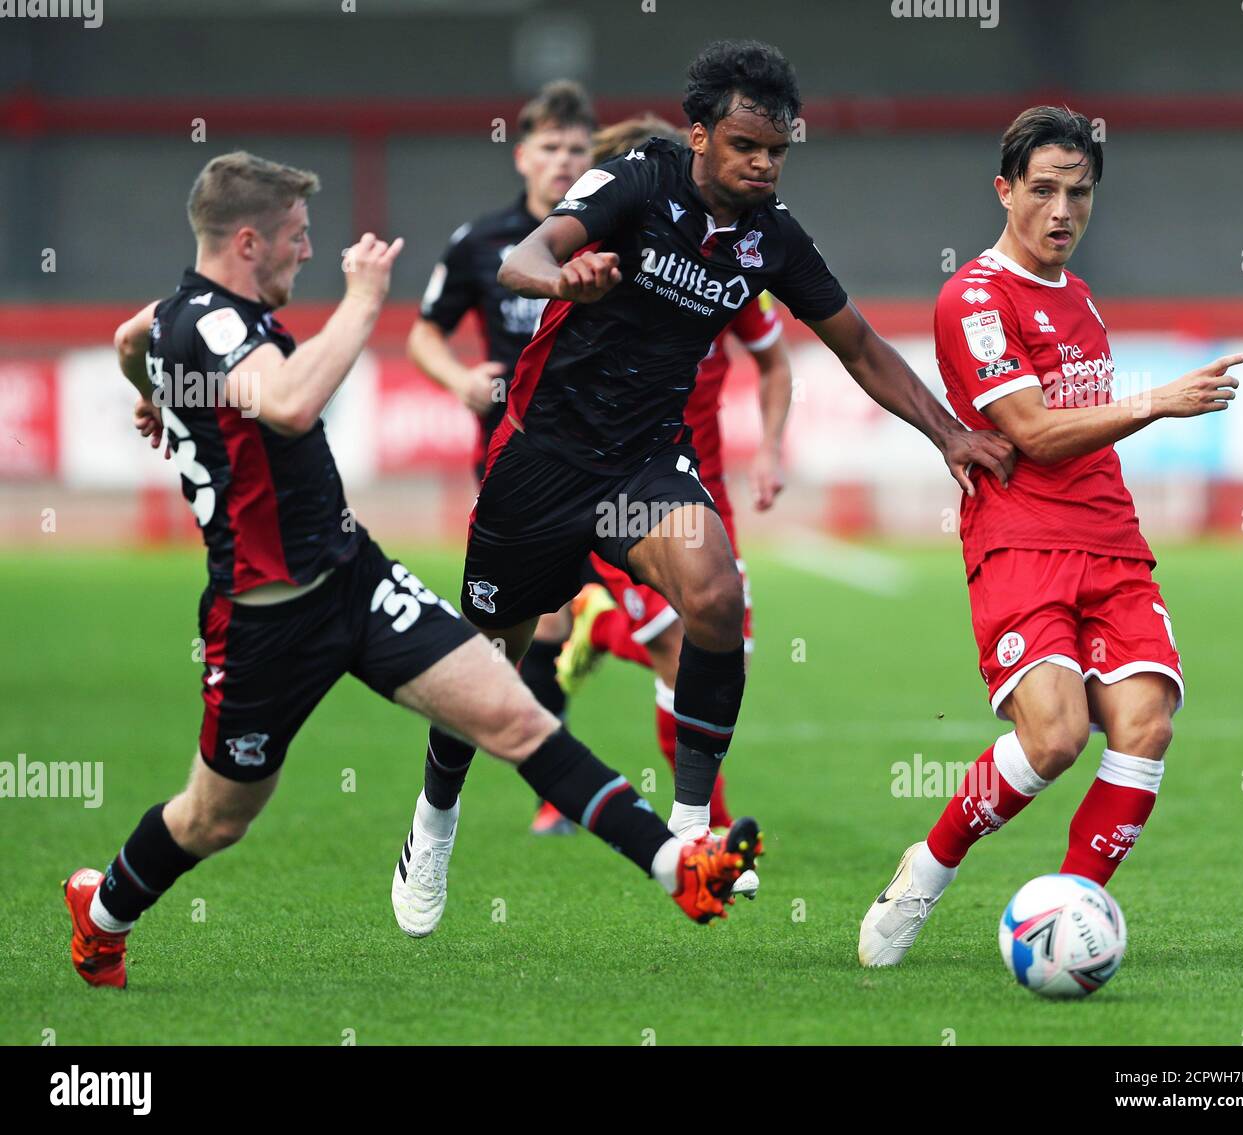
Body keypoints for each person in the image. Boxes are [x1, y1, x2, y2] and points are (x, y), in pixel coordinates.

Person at [63, 151, 763, 990]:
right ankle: (103, 912)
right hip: (263, 618)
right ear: (247, 241)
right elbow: (288, 402)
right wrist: (363, 299)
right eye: (295, 237)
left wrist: (156, 391)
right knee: (215, 817)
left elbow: (128, 338)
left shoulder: (190, 320)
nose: (308, 252)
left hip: (355, 580)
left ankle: (676, 865)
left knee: (514, 717)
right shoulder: (208, 325)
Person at [432, 39, 1012, 874]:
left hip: (642, 463)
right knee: (489, 659)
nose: (765, 165)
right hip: (541, 455)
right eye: (747, 147)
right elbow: (523, 258)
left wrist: (949, 430)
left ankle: (694, 823)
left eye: (777, 150)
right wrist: (564, 281)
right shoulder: (638, 179)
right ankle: (437, 814)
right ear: (699, 135)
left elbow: (858, 344)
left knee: (716, 600)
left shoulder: (772, 241)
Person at [859, 106, 1243, 967]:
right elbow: (1030, 431)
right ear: (1005, 191)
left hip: (1111, 537)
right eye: (1043, 191)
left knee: (1146, 723)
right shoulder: (974, 298)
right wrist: (1155, 401)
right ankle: (928, 866)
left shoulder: (1080, 299)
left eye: (1079, 192)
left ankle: (1073, 916)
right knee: (1057, 735)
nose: (1062, 210)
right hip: (1020, 539)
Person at [557, 113, 793, 841]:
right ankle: (706, 833)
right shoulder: (611, 257)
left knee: (728, 650)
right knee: (675, 645)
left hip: (705, 486)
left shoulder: (729, 265)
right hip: (628, 480)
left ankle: (600, 624)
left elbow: (775, 362)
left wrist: (773, 447)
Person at [407, 80, 596, 836]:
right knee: (540, 623)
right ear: (522, 155)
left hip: (611, 456)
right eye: (549, 147)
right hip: (517, 460)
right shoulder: (480, 243)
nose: (562, 161)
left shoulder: (612, 233)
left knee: (622, 614)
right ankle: (551, 785)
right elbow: (426, 329)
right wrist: (459, 379)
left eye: (577, 148)